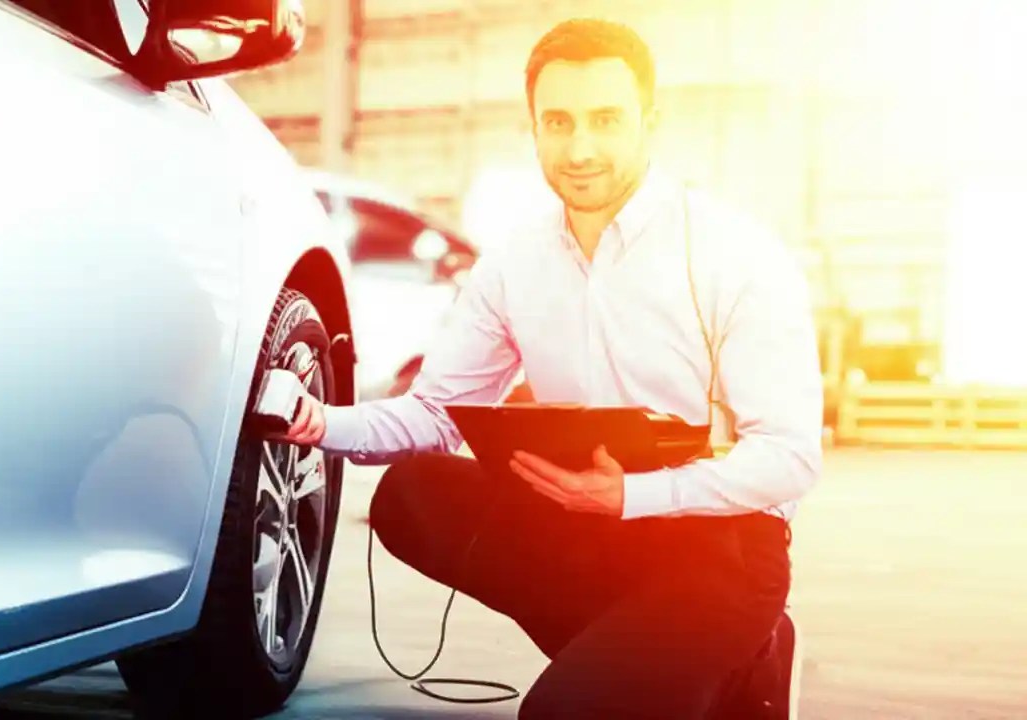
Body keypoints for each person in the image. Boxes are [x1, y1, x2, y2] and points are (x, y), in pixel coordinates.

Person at [280, 17, 823, 719]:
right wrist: (320, 421)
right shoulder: (514, 263)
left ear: (649, 123)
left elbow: (790, 460)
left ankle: (730, 651)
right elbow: (433, 415)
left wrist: (630, 496)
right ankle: (661, 661)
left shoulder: (734, 253)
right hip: (589, 532)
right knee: (414, 495)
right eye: (558, 121)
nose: (581, 147)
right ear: (533, 127)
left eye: (606, 120)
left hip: (719, 548)